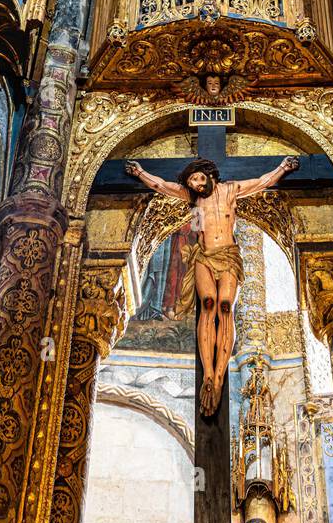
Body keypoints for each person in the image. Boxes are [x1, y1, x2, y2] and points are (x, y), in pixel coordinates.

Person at [125, 154, 299, 415]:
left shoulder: (230, 190)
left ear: (209, 174)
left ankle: (219, 377)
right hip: (204, 256)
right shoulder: (192, 199)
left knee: (225, 307)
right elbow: (161, 185)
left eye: (198, 178)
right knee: (208, 305)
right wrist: (139, 173)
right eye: (192, 181)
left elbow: (262, 182)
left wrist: (284, 167)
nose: (196, 184)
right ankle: (208, 374)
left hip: (228, 255)